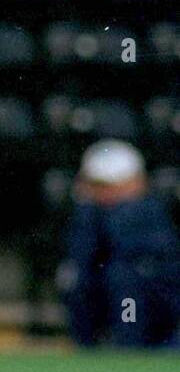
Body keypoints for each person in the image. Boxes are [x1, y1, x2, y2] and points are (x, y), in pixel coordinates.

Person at [59, 140, 180, 348]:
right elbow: (82, 254)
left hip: (155, 295)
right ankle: (88, 346)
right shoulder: (87, 214)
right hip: (105, 288)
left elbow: (146, 253)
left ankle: (130, 345)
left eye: (113, 186)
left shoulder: (149, 210)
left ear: (137, 182)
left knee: (125, 280)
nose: (106, 193)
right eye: (99, 185)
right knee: (74, 279)